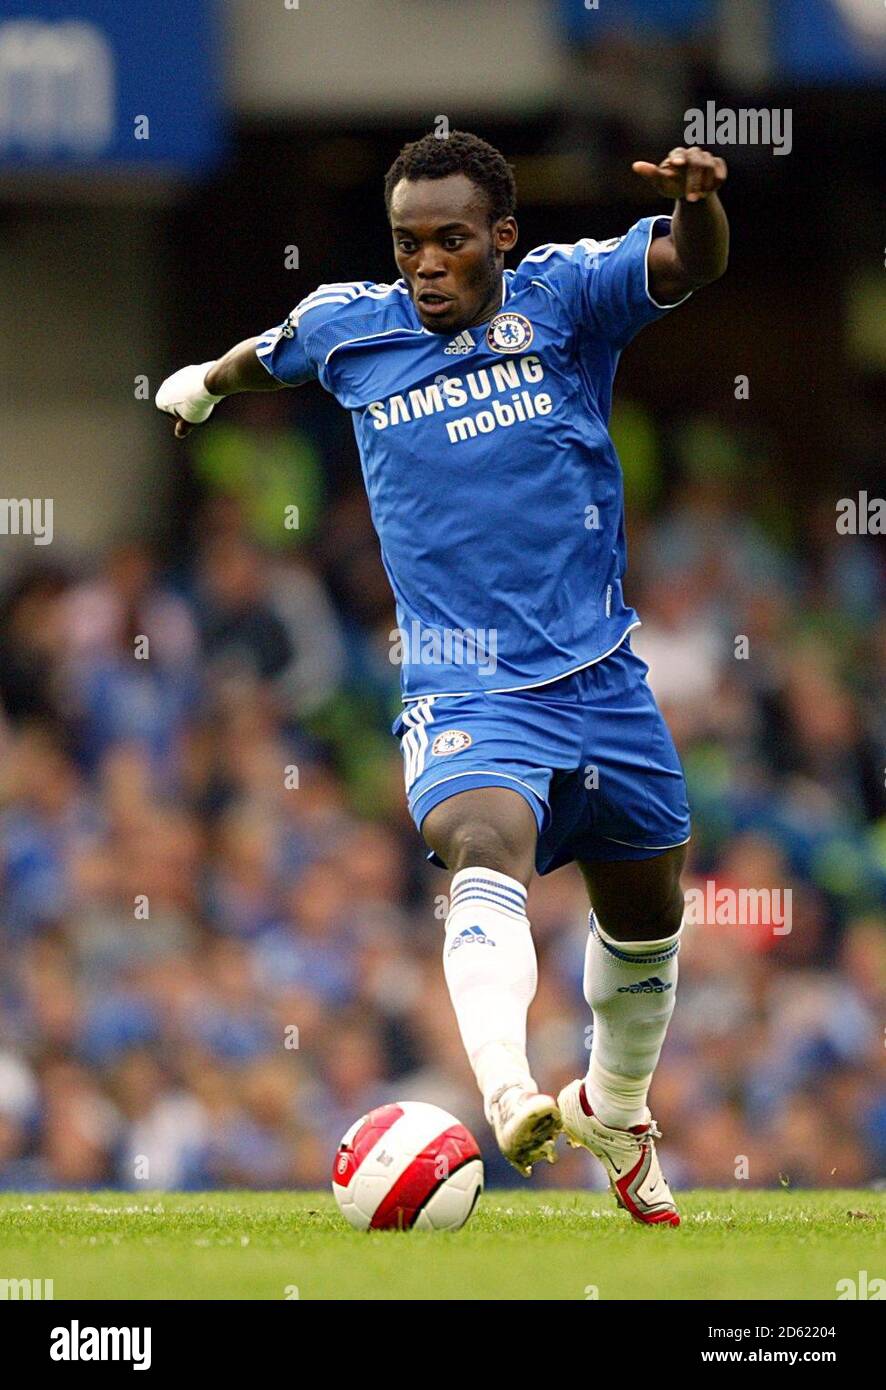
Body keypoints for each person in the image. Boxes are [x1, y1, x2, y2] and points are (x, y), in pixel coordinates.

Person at [156, 131, 728, 1225]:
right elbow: (260, 353)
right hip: (463, 686)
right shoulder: (347, 328)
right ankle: (507, 1086)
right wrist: (197, 391)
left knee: (648, 923)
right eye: (408, 243)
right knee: (482, 842)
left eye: (452, 241)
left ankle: (613, 1104)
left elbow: (687, 265)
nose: (426, 263)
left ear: (500, 240)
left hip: (603, 676)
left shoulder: (563, 299)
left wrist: (698, 203)